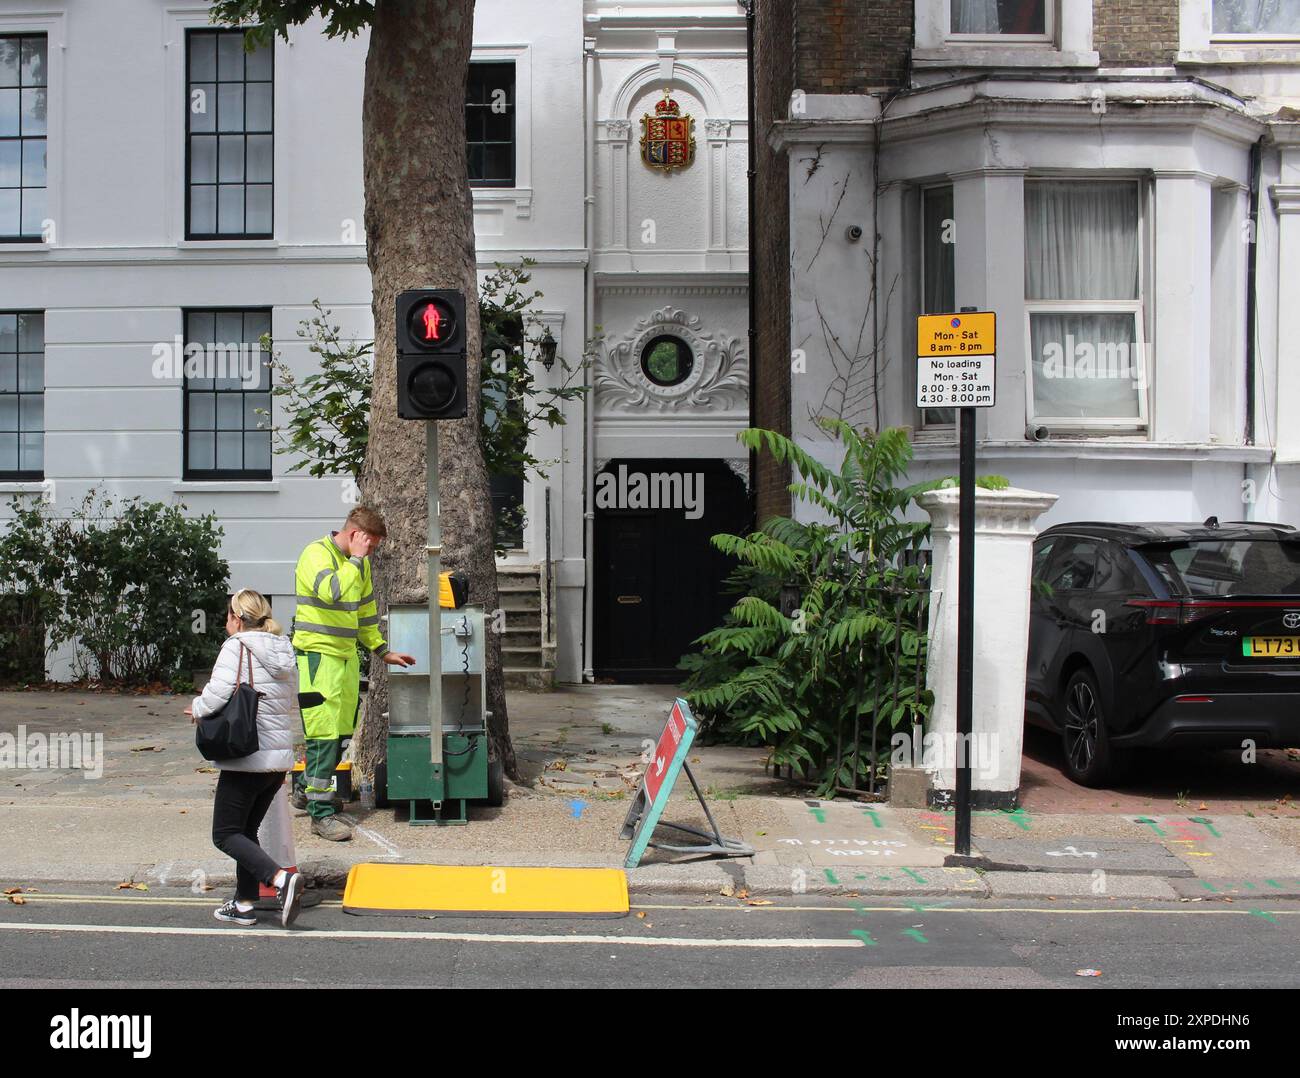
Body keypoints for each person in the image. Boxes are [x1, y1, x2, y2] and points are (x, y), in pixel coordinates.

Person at [290, 506, 415, 841]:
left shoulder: (360, 566)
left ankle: (305, 790)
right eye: (369, 545)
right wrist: (357, 560)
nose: (371, 552)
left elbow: (364, 615)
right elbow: (332, 591)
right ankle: (321, 815)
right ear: (355, 534)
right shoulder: (315, 555)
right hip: (318, 659)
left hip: (344, 660)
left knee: (341, 734)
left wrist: (382, 651)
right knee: (323, 734)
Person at [187, 588, 304, 929]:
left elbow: (217, 694)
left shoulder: (236, 646)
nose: (226, 623)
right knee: (246, 831)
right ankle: (243, 903)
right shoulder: (283, 648)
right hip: (278, 757)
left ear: (237, 619)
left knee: (224, 834)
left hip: (248, 755)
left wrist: (195, 709)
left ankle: (280, 879)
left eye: (228, 616)